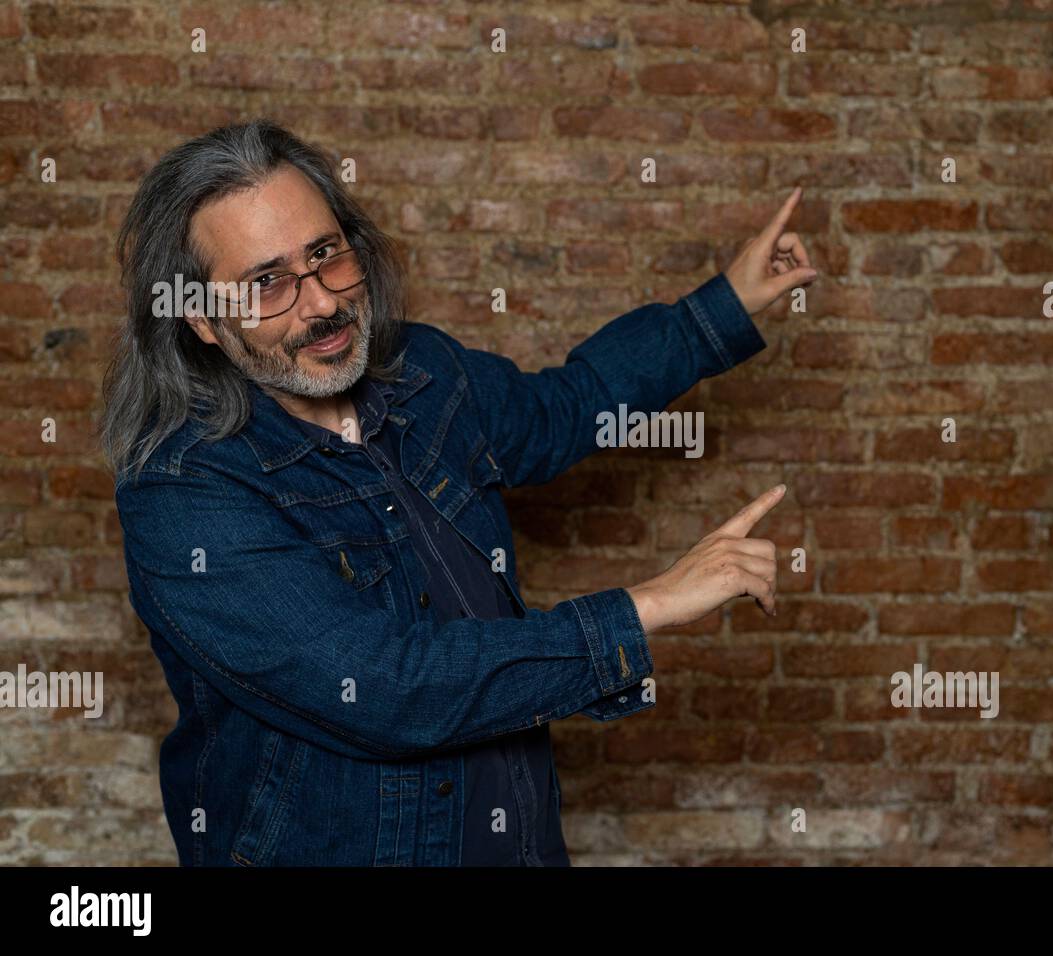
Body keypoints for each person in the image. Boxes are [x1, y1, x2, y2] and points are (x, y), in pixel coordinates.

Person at [99, 120, 818, 866]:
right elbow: (383, 685)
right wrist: (647, 607)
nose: (319, 304)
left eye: (325, 255)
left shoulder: (423, 371)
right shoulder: (182, 493)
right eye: (267, 283)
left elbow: (566, 408)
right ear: (202, 321)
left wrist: (725, 306)